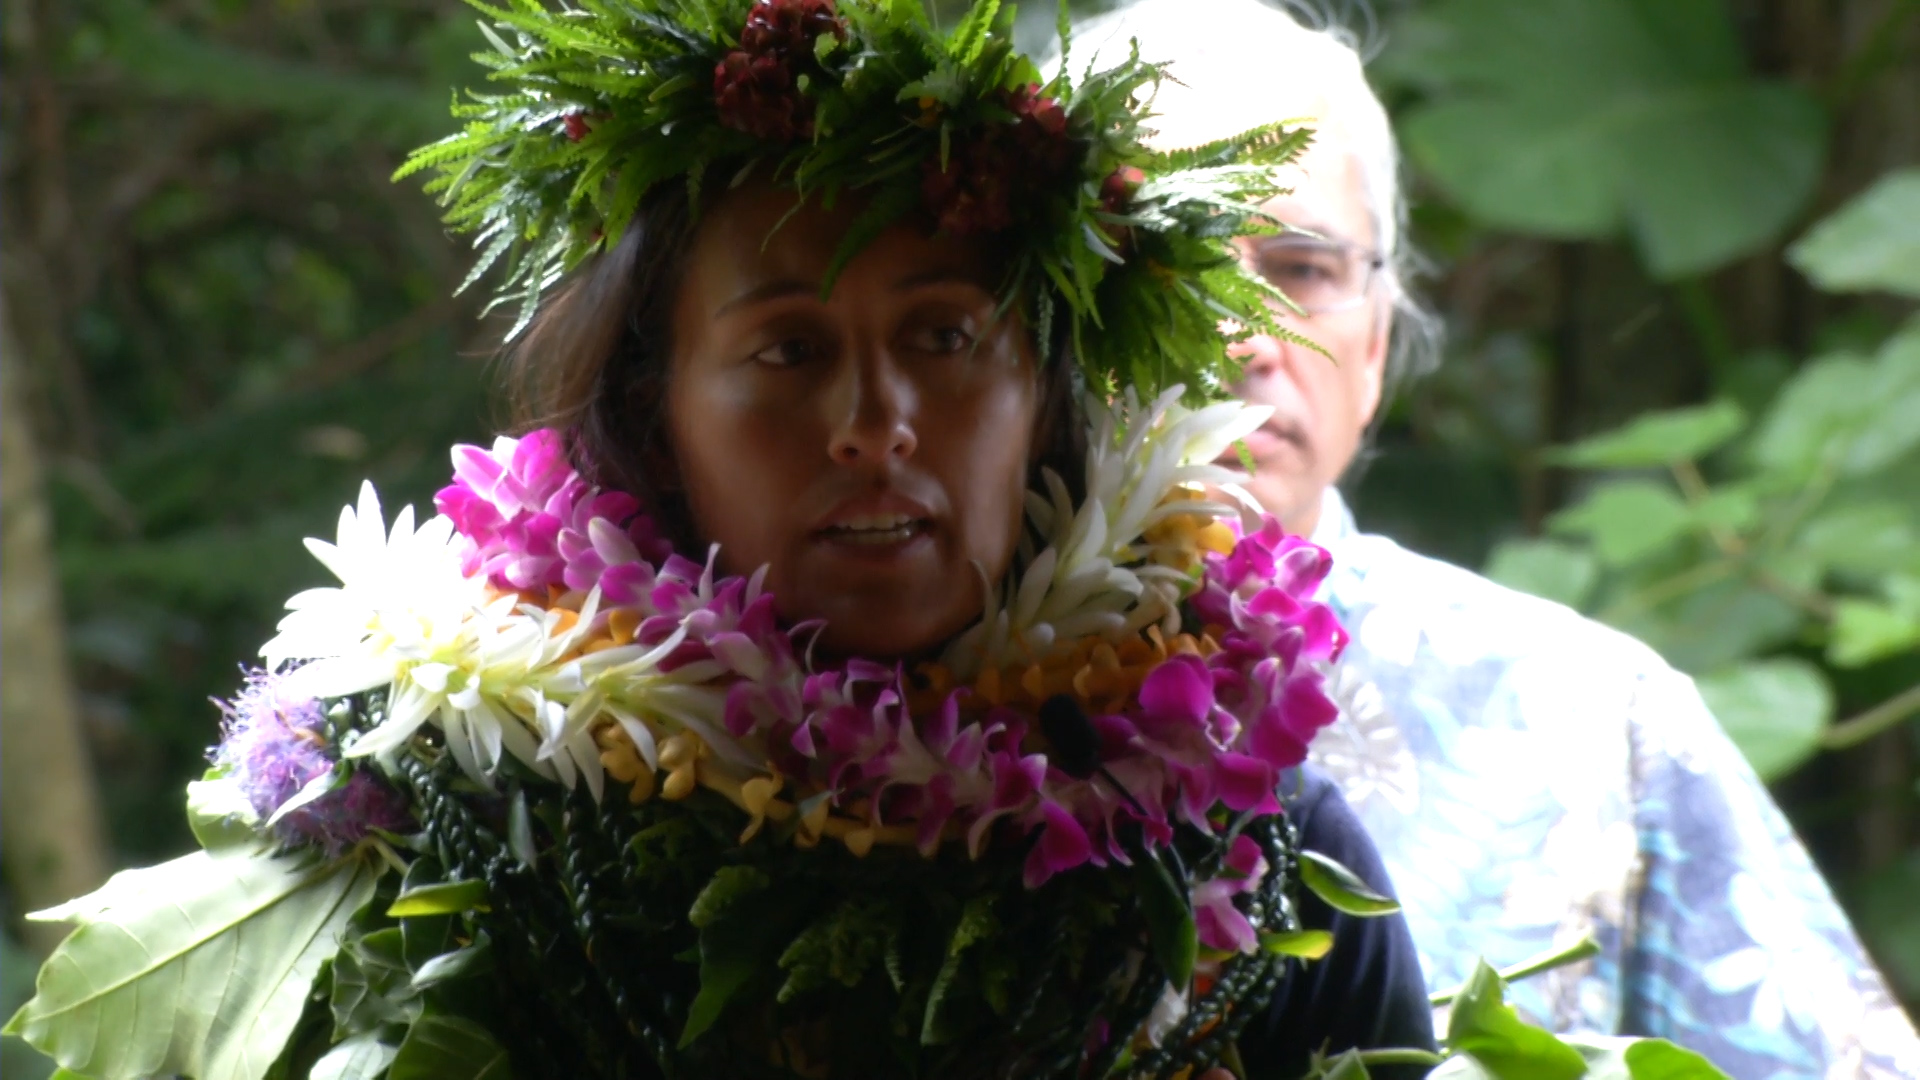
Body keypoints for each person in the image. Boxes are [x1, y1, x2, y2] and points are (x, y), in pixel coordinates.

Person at [6, 4, 1438, 1077]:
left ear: (1049, 400)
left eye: (944, 338)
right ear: (653, 416)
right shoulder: (448, 817)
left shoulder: (1259, 856)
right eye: (787, 350)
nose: (875, 425)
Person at [1064, 2, 1920, 1078]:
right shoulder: (898, 732)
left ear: (1375, 345)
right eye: (1165, 265)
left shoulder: (1592, 721)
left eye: (1302, 270)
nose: (1240, 336)